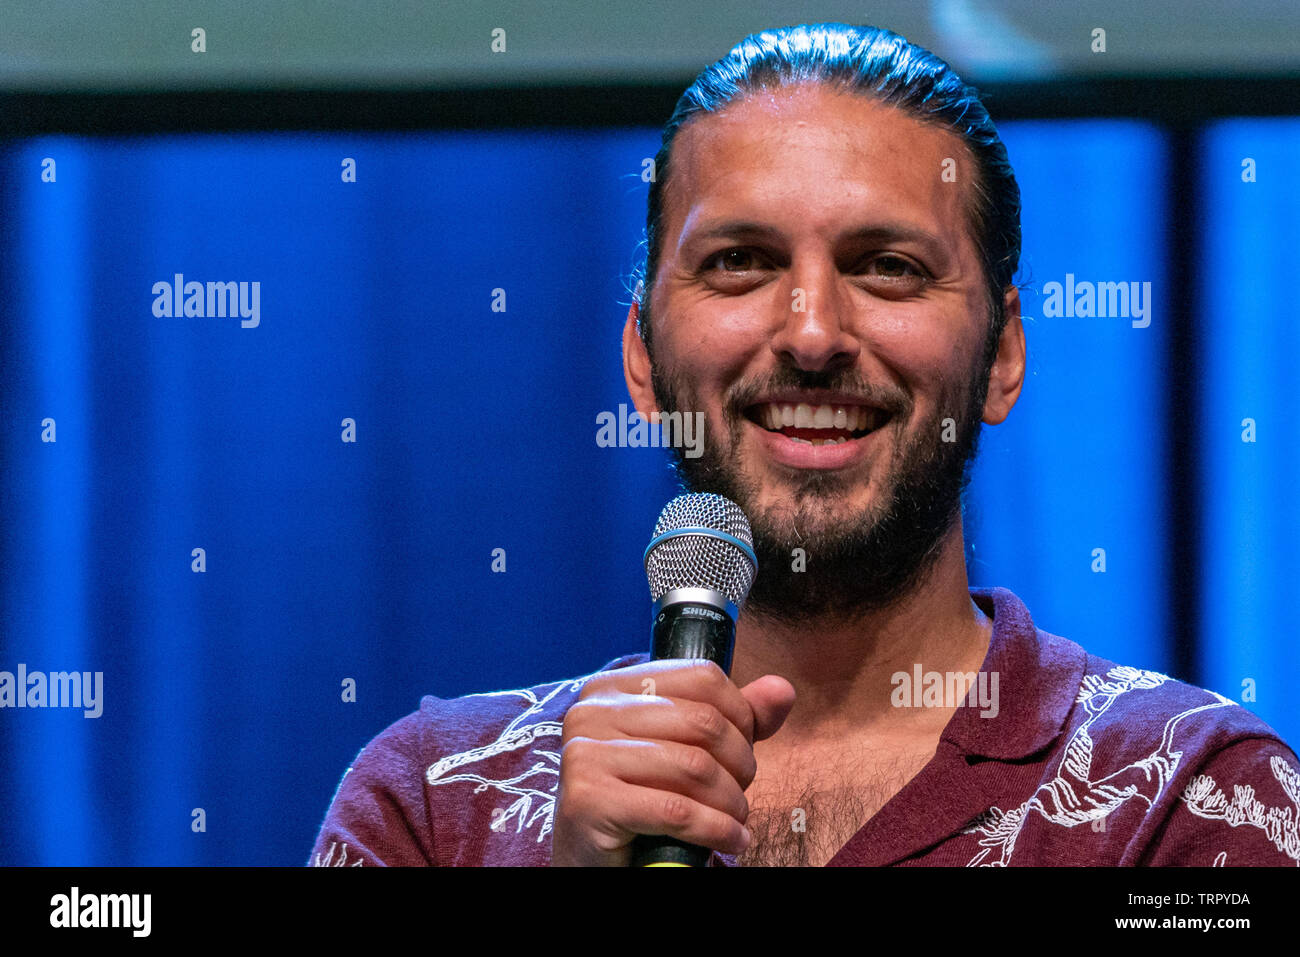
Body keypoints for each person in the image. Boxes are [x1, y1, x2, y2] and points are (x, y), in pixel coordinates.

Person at [309, 22, 1300, 868]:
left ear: (1001, 357)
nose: (813, 332)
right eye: (739, 264)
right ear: (642, 363)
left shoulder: (1188, 800)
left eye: (888, 268)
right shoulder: (434, 808)